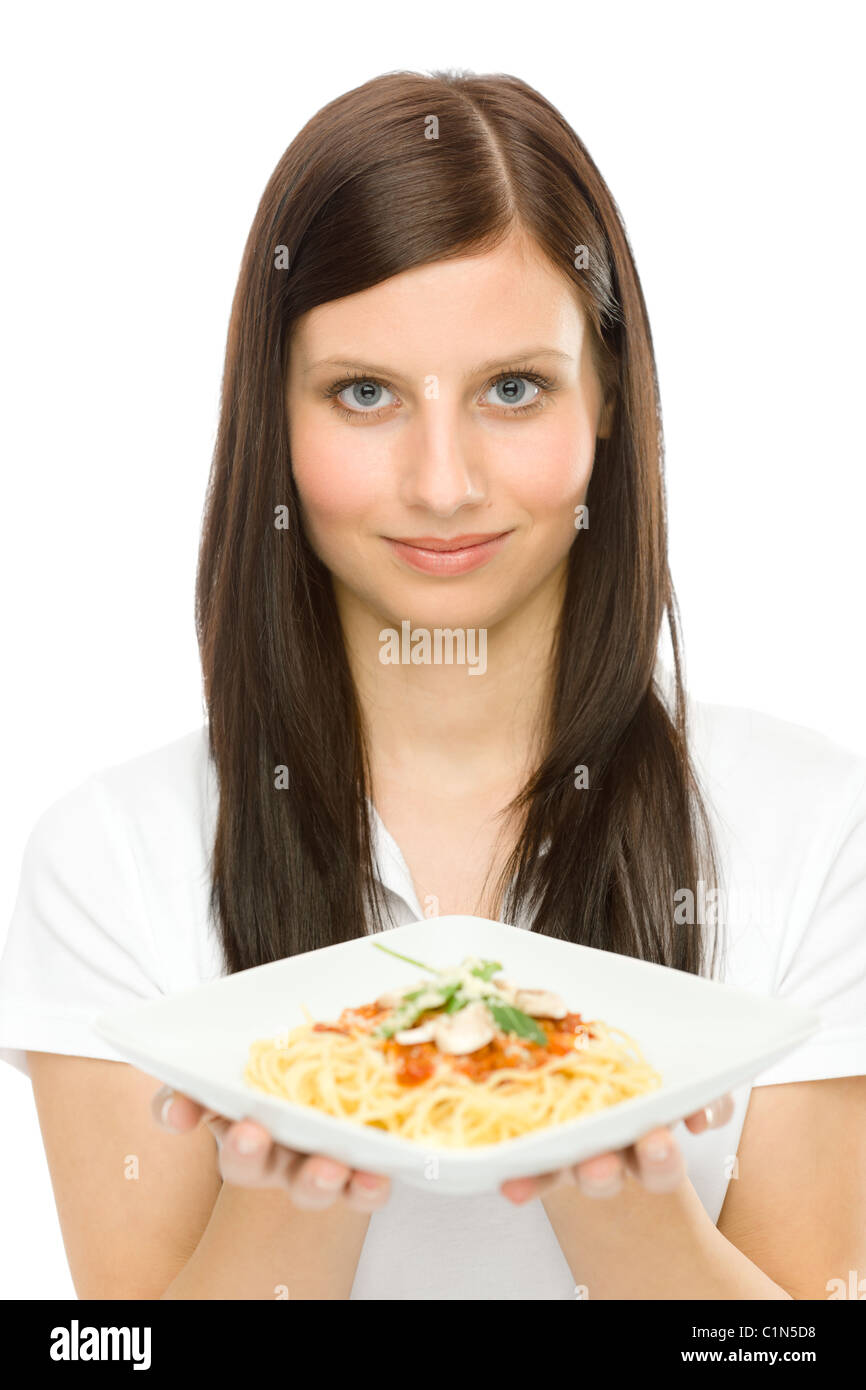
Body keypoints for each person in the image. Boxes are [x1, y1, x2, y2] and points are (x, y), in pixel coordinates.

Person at [2, 70, 864, 1301]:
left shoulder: (814, 829)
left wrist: (618, 1191)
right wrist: (289, 1187)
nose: (443, 483)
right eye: (364, 394)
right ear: (274, 416)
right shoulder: (110, 860)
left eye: (512, 389)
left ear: (606, 396)